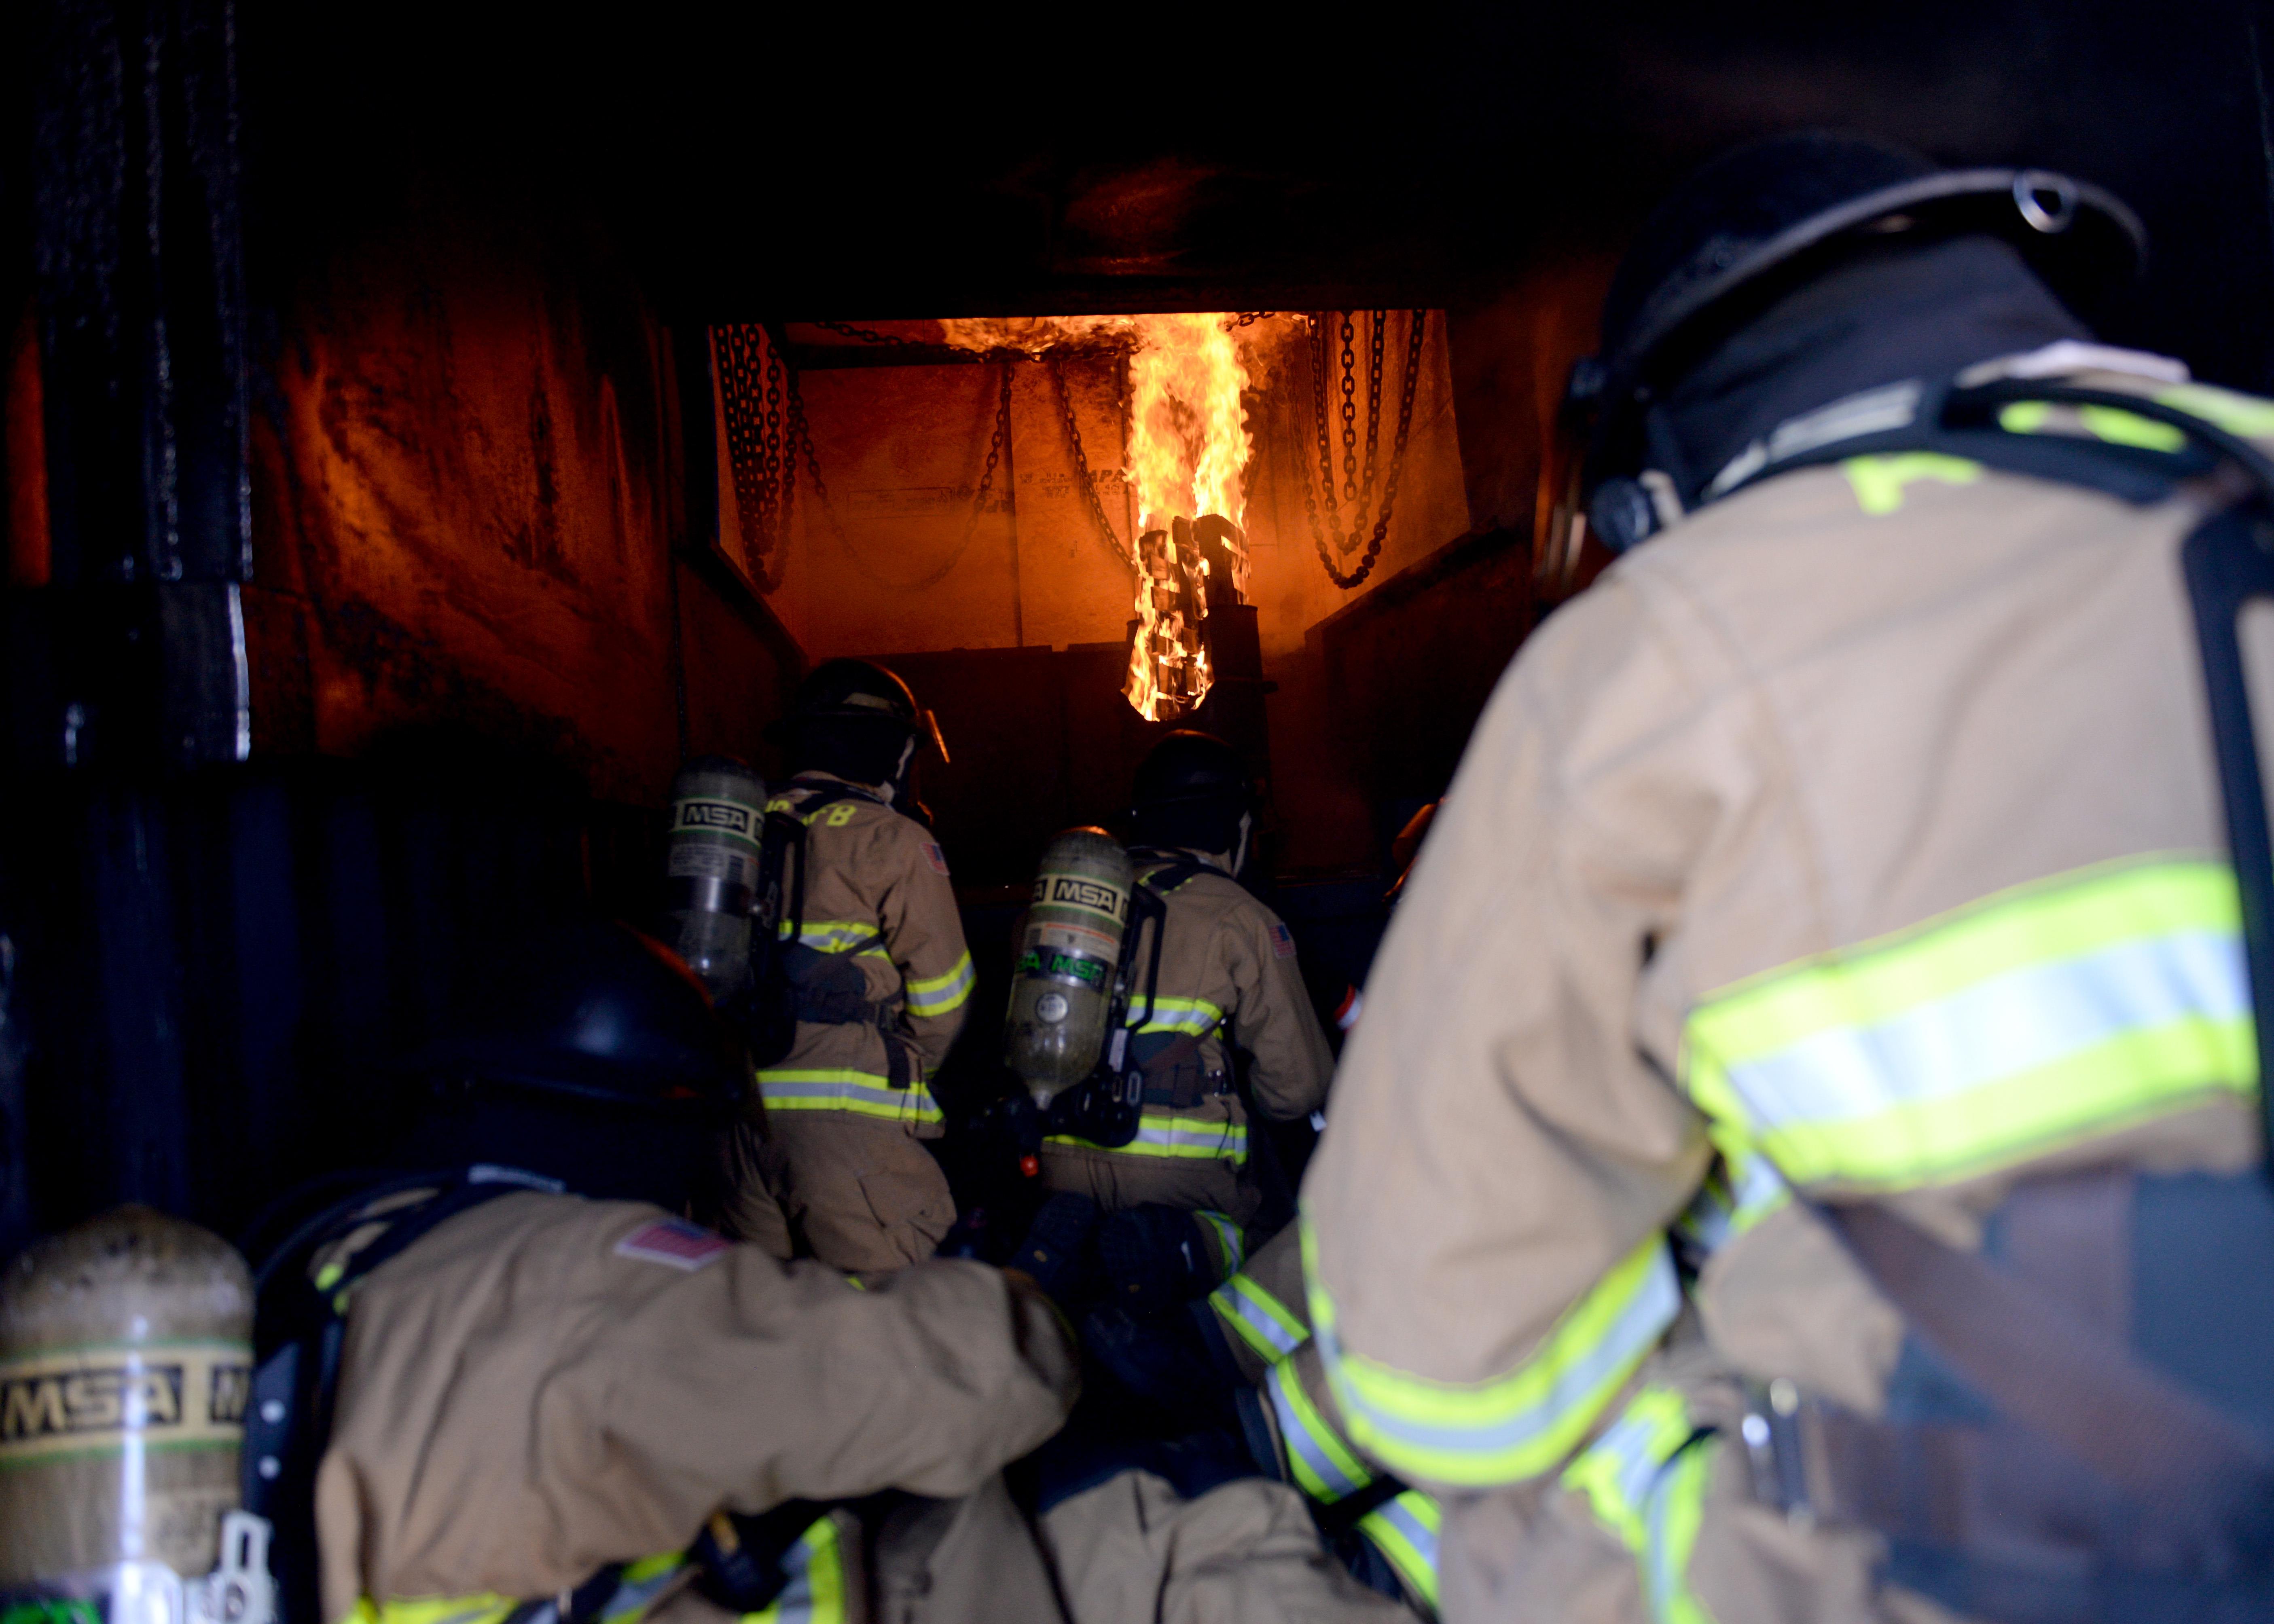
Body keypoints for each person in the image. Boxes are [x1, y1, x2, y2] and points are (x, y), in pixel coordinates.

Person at [1303, 130, 2274, 1624]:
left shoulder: (1668, 644)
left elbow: (1440, 1367)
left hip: (1988, 1561)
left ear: (1654, 481)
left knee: (1500, 1539)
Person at [246, 921, 1414, 1624]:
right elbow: (933, 1385)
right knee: (1170, 1523)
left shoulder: (347, 1255)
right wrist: (1024, 1305)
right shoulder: (570, 1281)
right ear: (649, 1127)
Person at [1035, 732, 1334, 1307]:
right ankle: (1181, 1249)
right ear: (1233, 825)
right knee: (1274, 1246)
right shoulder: (1240, 916)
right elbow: (1294, 1091)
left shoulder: (1075, 903)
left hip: (1060, 1170)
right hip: (1183, 1181)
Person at [722, 658, 976, 1273]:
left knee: (759, 1311)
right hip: (846, 1129)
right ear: (884, 747)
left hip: (734, 1124)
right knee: (890, 1311)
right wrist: (906, 1071)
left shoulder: (738, 828)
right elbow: (946, 1001)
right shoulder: (891, 838)